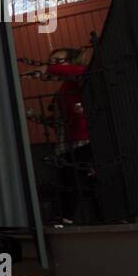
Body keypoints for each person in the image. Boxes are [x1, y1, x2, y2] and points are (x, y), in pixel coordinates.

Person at [46, 47, 93, 222]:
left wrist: (48, 68)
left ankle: (65, 218)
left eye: (58, 60)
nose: (54, 65)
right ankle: (62, 218)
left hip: (82, 140)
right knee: (67, 181)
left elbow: (79, 72)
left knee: (75, 180)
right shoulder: (63, 88)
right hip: (67, 143)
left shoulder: (78, 76)